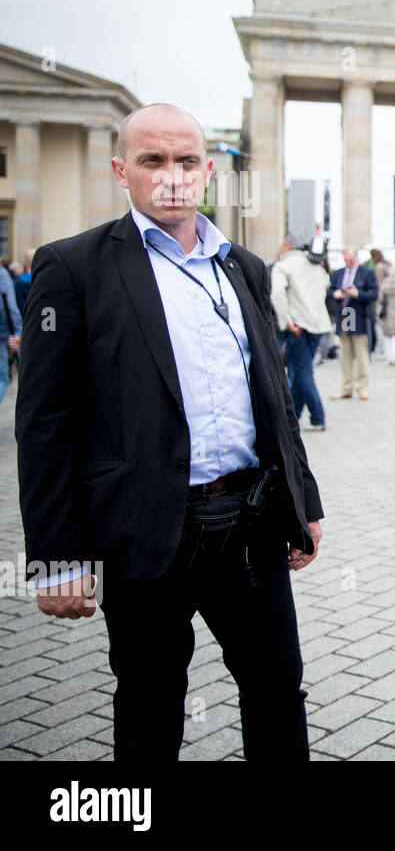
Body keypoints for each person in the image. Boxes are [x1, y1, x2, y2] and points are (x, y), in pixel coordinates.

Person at [16, 103, 323, 760]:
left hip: (250, 524)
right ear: (120, 171)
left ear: (208, 172)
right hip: (146, 534)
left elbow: (273, 396)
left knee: (277, 689)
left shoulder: (243, 266)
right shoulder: (74, 268)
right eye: (153, 161)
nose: (172, 176)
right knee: (151, 707)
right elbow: (44, 423)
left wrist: (305, 504)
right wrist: (54, 557)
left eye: (187, 161)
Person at [271, 236, 332, 432]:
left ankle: (317, 417)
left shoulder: (284, 265)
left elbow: (277, 294)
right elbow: (325, 286)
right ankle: (293, 416)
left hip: (298, 326)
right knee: (298, 373)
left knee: (303, 373)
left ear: (288, 247)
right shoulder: (315, 265)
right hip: (318, 325)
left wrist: (286, 320)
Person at [328, 246, 378, 400]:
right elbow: (329, 291)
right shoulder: (338, 273)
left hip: (358, 316)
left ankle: (362, 387)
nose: (348, 262)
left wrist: (358, 294)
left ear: (355, 257)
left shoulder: (366, 272)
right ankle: (346, 387)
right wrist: (335, 294)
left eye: (350, 259)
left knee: (361, 354)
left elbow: (374, 294)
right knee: (345, 354)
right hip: (343, 316)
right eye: (346, 259)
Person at [0, 264, 21, 402]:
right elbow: (9, 305)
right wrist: (18, 331)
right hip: (1, 331)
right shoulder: (2, 274)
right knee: (2, 375)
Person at [379, 259, 395, 364]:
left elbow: (380, 298)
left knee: (387, 334)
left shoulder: (385, 282)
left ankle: (389, 357)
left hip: (387, 308)